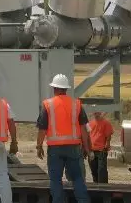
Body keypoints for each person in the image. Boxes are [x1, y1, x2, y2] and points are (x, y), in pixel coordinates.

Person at [36, 73, 91, 203]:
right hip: (73, 148)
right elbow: (83, 129)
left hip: (55, 149)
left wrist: (39, 146)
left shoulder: (48, 104)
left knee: (55, 180)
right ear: (66, 89)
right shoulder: (76, 104)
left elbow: (42, 129)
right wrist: (87, 149)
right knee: (77, 178)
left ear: (54, 88)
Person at [87, 108, 114, 183]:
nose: (96, 113)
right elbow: (87, 136)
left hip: (101, 150)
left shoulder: (106, 123)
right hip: (92, 150)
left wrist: (107, 144)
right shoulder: (90, 123)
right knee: (93, 170)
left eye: (97, 111)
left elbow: (108, 135)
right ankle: (96, 186)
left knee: (102, 170)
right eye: (94, 111)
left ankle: (103, 188)